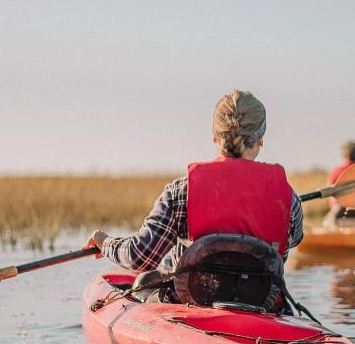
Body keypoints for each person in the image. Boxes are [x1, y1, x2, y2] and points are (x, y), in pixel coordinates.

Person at [86, 90, 304, 311]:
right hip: (263, 309)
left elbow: (140, 258)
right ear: (260, 140)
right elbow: (293, 240)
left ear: (215, 136)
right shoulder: (289, 199)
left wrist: (105, 243)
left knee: (144, 282)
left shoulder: (181, 192)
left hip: (194, 309)